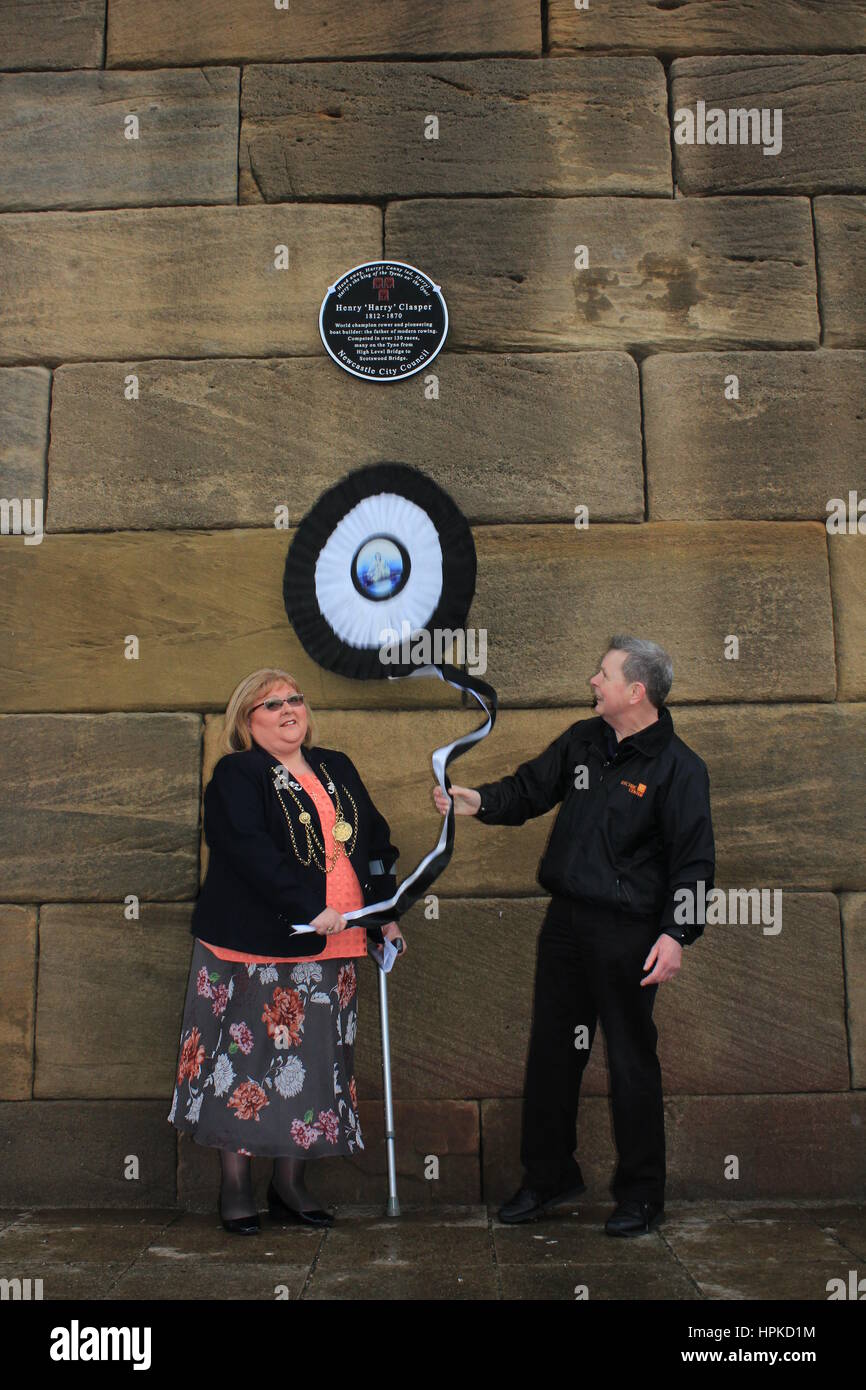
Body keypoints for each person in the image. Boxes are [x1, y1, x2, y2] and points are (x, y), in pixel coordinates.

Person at [434, 636, 714, 1236]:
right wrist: (476, 801)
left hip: (631, 934)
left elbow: (694, 864)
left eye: (603, 673)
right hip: (566, 925)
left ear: (635, 691)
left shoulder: (679, 768)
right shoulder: (583, 741)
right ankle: (548, 1177)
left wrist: (676, 935)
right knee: (553, 1054)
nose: (593, 680)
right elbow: (531, 789)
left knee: (632, 1061)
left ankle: (643, 1194)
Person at [168, 667, 404, 1234]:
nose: (288, 710)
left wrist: (385, 913)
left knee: (313, 1065)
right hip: (257, 946)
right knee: (242, 1065)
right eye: (271, 705)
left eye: (294, 699)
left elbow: (375, 840)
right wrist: (305, 905)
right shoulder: (238, 773)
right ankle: (235, 1187)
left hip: (338, 942)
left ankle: (290, 1185)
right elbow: (248, 852)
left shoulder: (336, 766)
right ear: (247, 722)